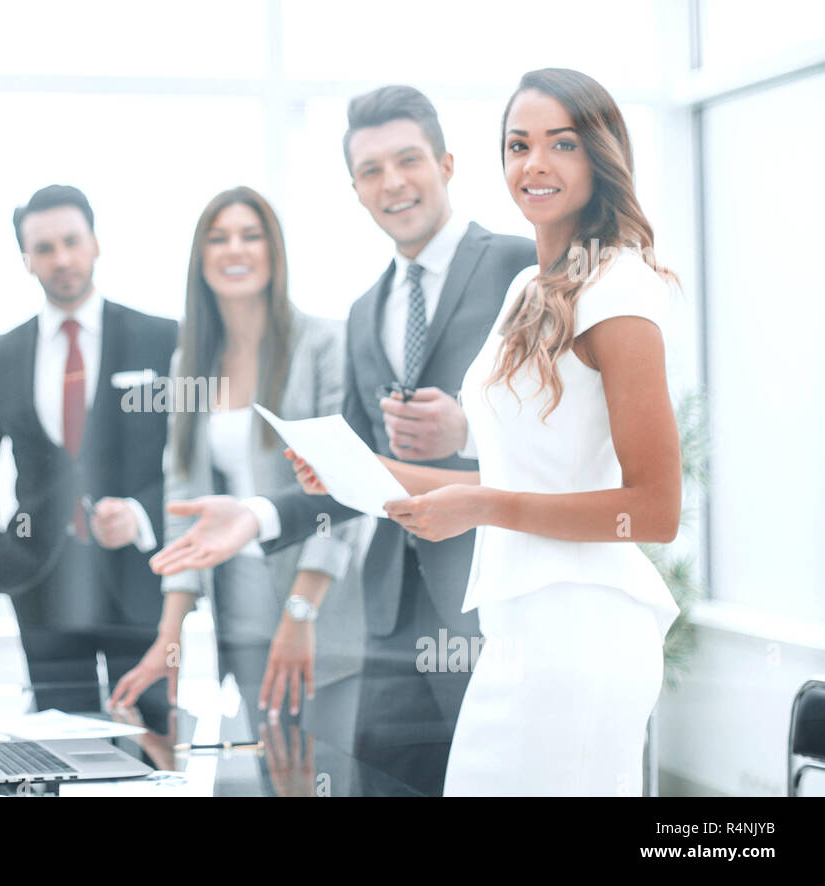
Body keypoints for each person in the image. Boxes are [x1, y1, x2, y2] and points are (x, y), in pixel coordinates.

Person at [291, 68, 681, 795]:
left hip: (583, 627)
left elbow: (654, 511)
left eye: (561, 144)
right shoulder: (528, 292)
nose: (534, 163)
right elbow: (514, 476)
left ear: (601, 155)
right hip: (518, 628)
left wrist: (484, 507)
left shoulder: (622, 288)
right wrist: (367, 472)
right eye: (518, 144)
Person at [148, 86, 536, 795]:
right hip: (390, 622)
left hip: (497, 604)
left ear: (447, 163)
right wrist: (259, 516)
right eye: (371, 170)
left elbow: (578, 426)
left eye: (408, 160)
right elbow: (350, 473)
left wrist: (473, 432)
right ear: (354, 189)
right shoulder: (366, 311)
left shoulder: (522, 264)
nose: (392, 182)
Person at [108, 187, 368, 752]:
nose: (235, 250)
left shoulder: (324, 343)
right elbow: (185, 498)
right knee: (271, 774)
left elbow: (345, 491)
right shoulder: (190, 361)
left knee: (326, 778)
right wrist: (168, 635)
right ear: (201, 258)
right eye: (218, 237)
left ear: (274, 251)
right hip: (241, 613)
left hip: (323, 607)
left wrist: (302, 611)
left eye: (251, 236)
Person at [0, 185, 178, 718]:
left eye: (71, 241)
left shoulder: (162, 339)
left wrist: (142, 515)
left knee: (150, 739)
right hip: (40, 585)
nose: (61, 259)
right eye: (43, 248)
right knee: (60, 744)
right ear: (26, 259)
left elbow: (192, 460)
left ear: (95, 243)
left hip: (140, 579)